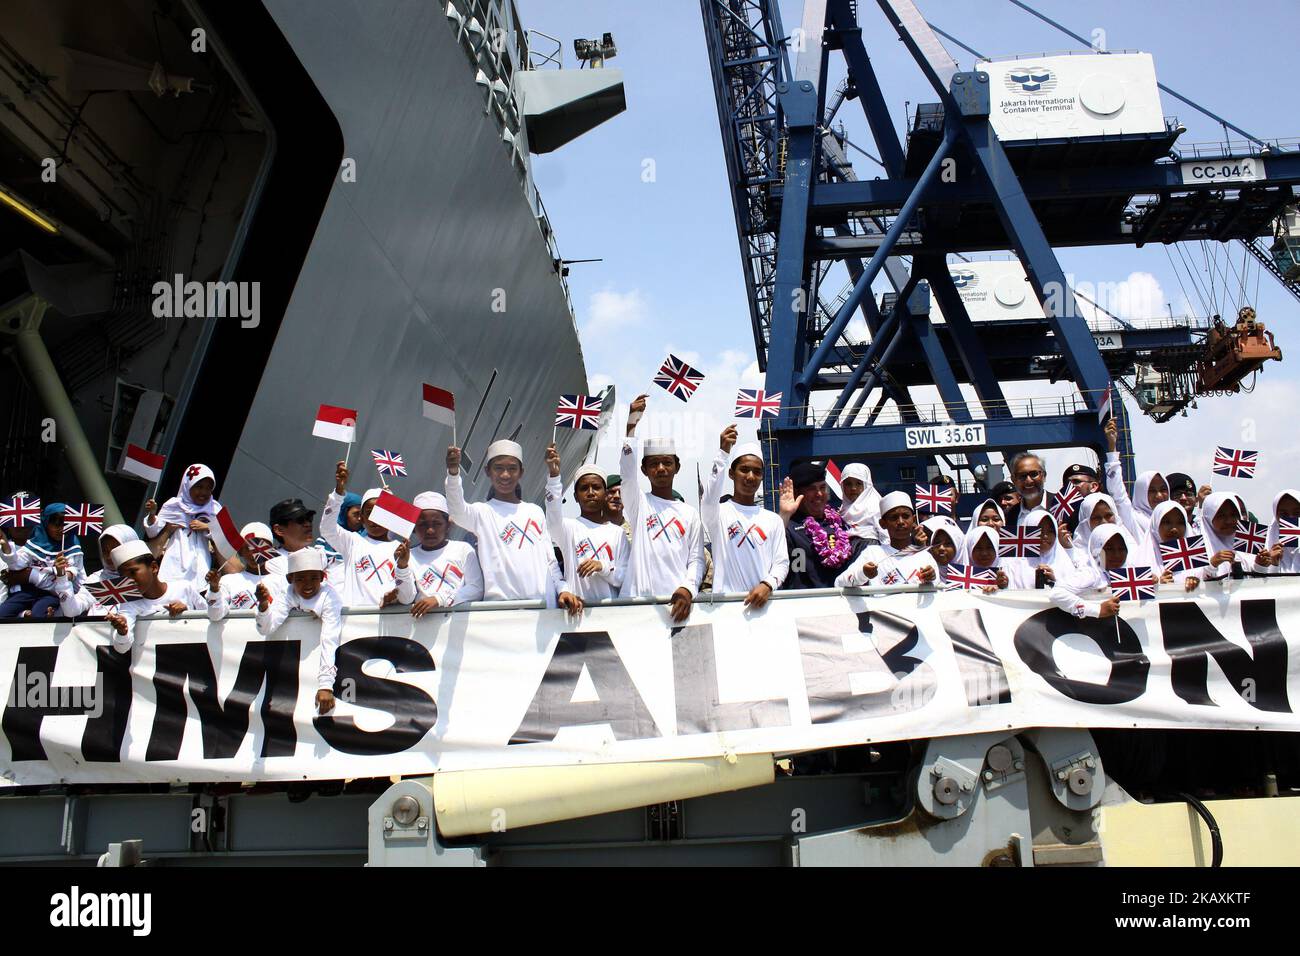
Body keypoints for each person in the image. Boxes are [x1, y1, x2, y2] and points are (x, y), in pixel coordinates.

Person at [445, 438, 582, 613]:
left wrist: (564, 590)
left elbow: (550, 561)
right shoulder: (482, 513)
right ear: (487, 471)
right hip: (502, 612)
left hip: (543, 611)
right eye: (498, 468)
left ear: (521, 472)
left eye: (512, 468)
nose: (505, 475)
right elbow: (457, 511)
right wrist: (453, 473)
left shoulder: (534, 511)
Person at [618, 395, 704, 621]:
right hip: (637, 607)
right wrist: (631, 426)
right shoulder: (639, 504)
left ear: (677, 467)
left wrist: (687, 588)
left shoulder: (689, 513)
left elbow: (697, 559)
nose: (661, 468)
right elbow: (626, 475)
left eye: (667, 462)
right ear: (645, 470)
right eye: (654, 464)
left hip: (677, 607)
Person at [700, 426, 788, 608]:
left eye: (757, 472)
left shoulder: (773, 520)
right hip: (725, 609)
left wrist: (767, 585)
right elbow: (709, 498)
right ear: (731, 474)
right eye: (744, 470)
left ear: (762, 476)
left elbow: (782, 563)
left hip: (765, 607)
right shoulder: (717, 514)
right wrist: (723, 453)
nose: (750, 476)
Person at [255, 549, 343, 715]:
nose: (308, 584)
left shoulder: (330, 597)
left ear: (323, 577)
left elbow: (330, 639)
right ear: (290, 579)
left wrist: (325, 685)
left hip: (326, 667)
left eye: (313, 578)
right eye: (300, 578)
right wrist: (263, 606)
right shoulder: (287, 593)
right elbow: (267, 628)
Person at [103, 540, 226, 652]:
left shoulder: (183, 587)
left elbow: (215, 616)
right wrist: (122, 631)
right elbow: (122, 648)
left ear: (154, 567)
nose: (128, 580)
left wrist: (189, 610)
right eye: (123, 576)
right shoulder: (129, 603)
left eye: (133, 572)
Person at [543, 448, 629, 603]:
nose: (590, 492)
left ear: (605, 493)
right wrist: (554, 477)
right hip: (575, 613)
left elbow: (624, 578)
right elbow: (553, 511)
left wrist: (602, 566)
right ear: (576, 497)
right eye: (584, 488)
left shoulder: (618, 533)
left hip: (611, 615)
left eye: (596, 487)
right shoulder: (567, 528)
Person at [320, 465, 407, 607]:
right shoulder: (352, 543)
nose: (375, 519)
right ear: (361, 517)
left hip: (388, 623)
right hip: (354, 623)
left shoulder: (400, 548)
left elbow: (407, 595)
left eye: (381, 513)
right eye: (369, 513)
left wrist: (394, 596)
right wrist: (338, 494)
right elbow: (327, 529)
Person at [394, 491, 485, 615]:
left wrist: (439, 599)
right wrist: (402, 567)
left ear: (448, 525)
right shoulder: (409, 556)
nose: (430, 530)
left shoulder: (463, 549)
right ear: (414, 528)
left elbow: (476, 589)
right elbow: (406, 599)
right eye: (423, 525)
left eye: (437, 524)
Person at [780, 461, 866, 589]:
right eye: (811, 489)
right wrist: (784, 515)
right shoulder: (787, 527)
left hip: (843, 602)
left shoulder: (841, 524)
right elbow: (768, 552)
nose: (819, 494)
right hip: (805, 603)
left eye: (822, 488)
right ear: (797, 494)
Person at [143, 463, 220, 592]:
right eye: (199, 487)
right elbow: (153, 532)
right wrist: (152, 515)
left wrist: (207, 527)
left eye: (208, 488)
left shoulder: (215, 508)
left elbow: (224, 536)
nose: (204, 492)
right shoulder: (173, 505)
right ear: (187, 486)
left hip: (200, 563)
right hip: (175, 560)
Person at [0, 502, 83, 619]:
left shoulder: (73, 546)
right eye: (56, 524)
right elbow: (16, 565)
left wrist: (61, 572)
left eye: (65, 525)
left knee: (38, 615)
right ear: (45, 523)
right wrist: (7, 548)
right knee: (2, 613)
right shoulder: (36, 542)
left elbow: (72, 576)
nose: (61, 529)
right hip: (29, 592)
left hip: (53, 594)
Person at [49, 523, 140, 617]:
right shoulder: (96, 579)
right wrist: (62, 577)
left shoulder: (144, 576)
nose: (108, 557)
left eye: (114, 550)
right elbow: (71, 611)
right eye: (105, 551)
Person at [1049, 524, 1133, 619]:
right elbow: (1056, 594)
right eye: (1109, 549)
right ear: (1096, 550)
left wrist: (1152, 583)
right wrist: (1097, 610)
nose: (1117, 555)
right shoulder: (1090, 574)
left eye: (1122, 549)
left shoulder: (1128, 573)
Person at [219, 522, 283, 612]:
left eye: (262, 547)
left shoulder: (282, 582)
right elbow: (216, 613)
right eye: (249, 548)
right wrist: (214, 591)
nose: (254, 554)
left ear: (271, 550)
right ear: (240, 551)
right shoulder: (228, 581)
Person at [1199, 493, 1265, 578]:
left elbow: (1258, 583)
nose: (1229, 521)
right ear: (1208, 517)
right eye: (1221, 516)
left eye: (1233, 515)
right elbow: (1189, 581)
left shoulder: (1247, 542)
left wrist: (1260, 565)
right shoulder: (1196, 546)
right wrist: (1212, 565)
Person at [1003, 509, 1073, 590]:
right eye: (1039, 531)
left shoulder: (1065, 562)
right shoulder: (1012, 563)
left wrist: (1054, 582)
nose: (1045, 536)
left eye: (1050, 531)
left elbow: (1074, 594)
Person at [1147, 501, 1204, 593]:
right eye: (1167, 522)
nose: (1174, 529)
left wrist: (1198, 581)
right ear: (1155, 524)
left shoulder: (1197, 560)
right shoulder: (1139, 560)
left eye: (1180, 523)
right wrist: (1158, 587)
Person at [1070, 492, 1119, 568]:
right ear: (1086, 522)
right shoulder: (1076, 556)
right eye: (1096, 518)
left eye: (1108, 515)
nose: (1104, 522)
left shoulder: (1129, 545)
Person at [839, 463, 882, 542]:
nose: (853, 488)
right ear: (842, 486)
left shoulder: (875, 508)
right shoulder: (841, 510)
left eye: (858, 483)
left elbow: (887, 538)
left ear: (867, 485)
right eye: (848, 484)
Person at [1260, 489, 1300, 575]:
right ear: (1276, 514)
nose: (1291, 517)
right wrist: (1273, 563)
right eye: (1284, 514)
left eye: (1297, 513)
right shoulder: (1264, 543)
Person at [1004, 452, 1047, 525]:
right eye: (1022, 476)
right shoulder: (1009, 516)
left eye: (1034, 474)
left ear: (1044, 476)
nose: (1028, 481)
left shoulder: (1060, 506)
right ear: (1013, 480)